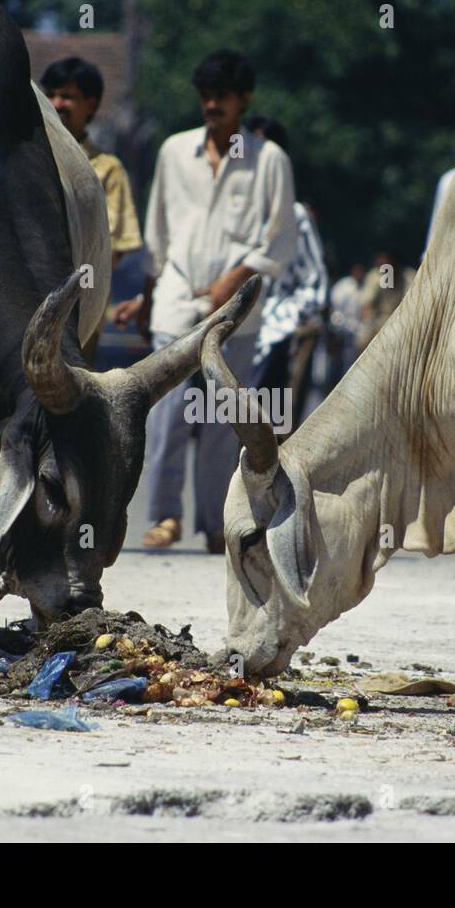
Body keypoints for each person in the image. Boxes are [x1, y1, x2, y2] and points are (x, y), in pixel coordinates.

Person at [113, 49, 296, 553]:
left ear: (244, 100)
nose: (212, 104)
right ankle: (165, 516)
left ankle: (218, 523)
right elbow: (158, 233)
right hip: (177, 295)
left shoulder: (269, 161)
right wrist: (148, 298)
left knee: (221, 418)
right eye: (206, 95)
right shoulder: (175, 152)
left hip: (238, 307)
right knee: (168, 414)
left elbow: (280, 238)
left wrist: (235, 278)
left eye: (223, 96)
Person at [244, 115, 327, 419]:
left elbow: (315, 287)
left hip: (272, 340)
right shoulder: (232, 212)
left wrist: (280, 321)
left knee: (263, 429)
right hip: (229, 333)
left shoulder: (295, 217)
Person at [40, 56, 142, 265]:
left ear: (90, 105)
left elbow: (112, 247)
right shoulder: (28, 162)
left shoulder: (108, 169)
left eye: (67, 96)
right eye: (50, 95)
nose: (56, 104)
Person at [357, 248, 414, 352]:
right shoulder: (375, 277)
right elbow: (367, 305)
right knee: (362, 341)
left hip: (403, 322)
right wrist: (369, 321)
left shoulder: (408, 277)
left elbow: (413, 304)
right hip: (379, 322)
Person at [325, 262, 365, 387]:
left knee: (349, 363)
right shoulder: (344, 285)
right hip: (340, 327)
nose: (359, 274)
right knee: (332, 364)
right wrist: (335, 331)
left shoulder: (363, 287)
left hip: (355, 330)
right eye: (357, 271)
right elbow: (336, 310)